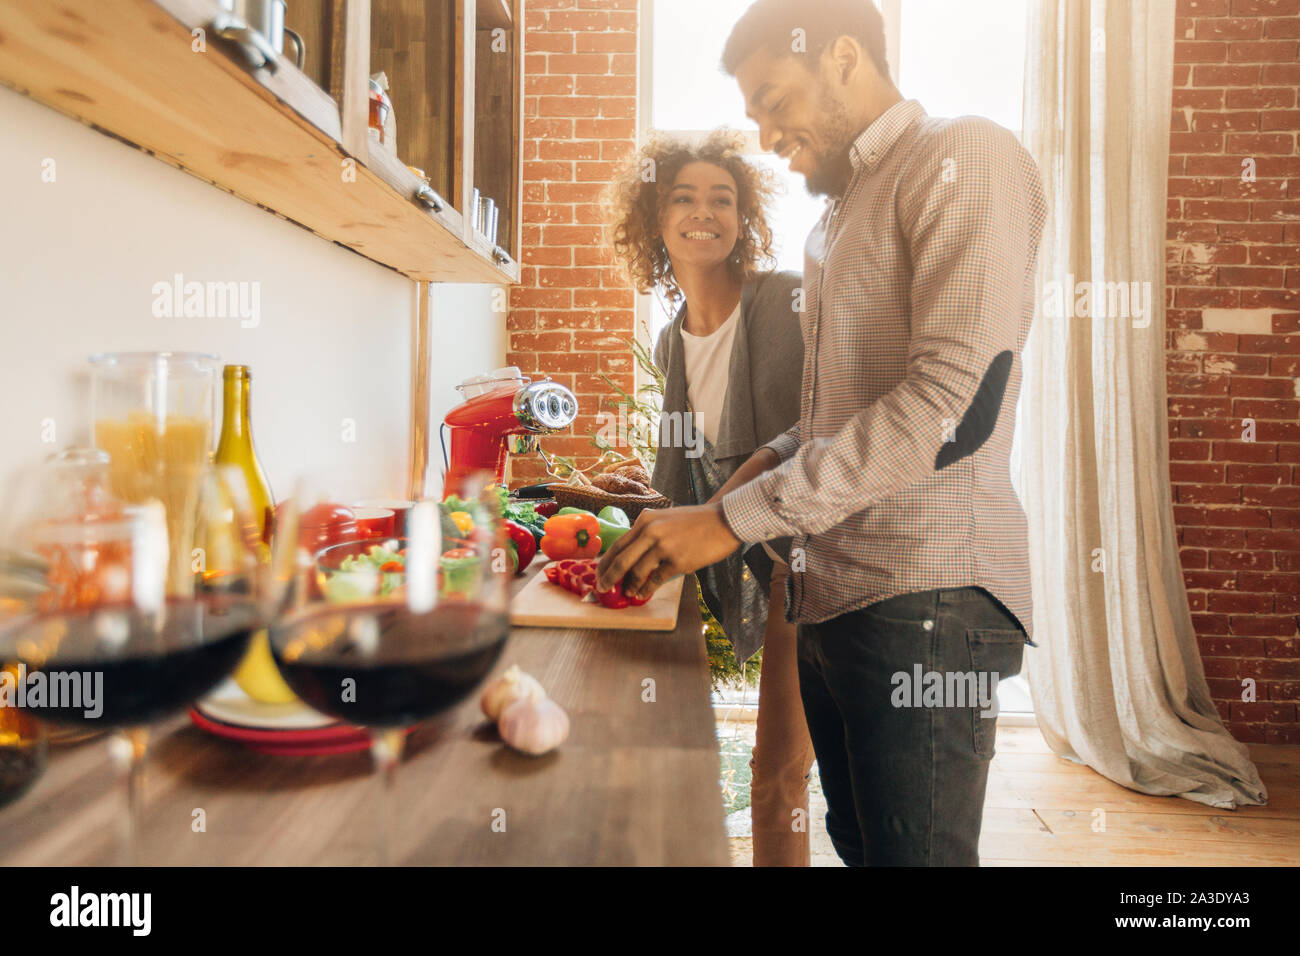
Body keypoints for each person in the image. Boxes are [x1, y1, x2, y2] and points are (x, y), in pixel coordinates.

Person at [598, 0, 1047, 867]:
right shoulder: (838, 218)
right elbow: (835, 419)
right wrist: (750, 476)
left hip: (929, 596)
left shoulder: (963, 155)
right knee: (862, 847)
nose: (765, 135)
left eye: (773, 98)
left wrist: (728, 520)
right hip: (834, 592)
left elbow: (952, 406)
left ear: (842, 55)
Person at [608, 130, 814, 866]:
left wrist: (713, 511)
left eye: (722, 199)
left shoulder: (785, 300)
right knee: (774, 772)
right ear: (655, 220)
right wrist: (624, 493)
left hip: (815, 560)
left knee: (778, 775)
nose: (705, 213)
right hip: (760, 553)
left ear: (744, 217)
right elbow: (684, 472)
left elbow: (813, 434)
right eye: (684, 198)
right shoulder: (671, 342)